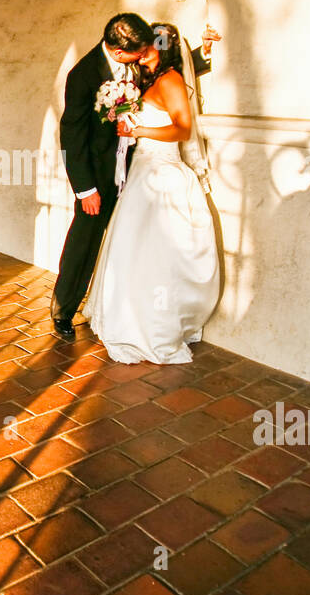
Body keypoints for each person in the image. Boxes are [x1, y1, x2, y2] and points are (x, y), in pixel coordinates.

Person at [81, 23, 221, 363]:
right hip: (143, 171)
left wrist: (138, 127)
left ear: (163, 47)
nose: (143, 51)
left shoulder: (170, 79)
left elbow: (183, 128)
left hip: (161, 172)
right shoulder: (151, 80)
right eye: (142, 46)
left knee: (156, 254)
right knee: (132, 249)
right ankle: (126, 315)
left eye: (150, 46)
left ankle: (153, 325)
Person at [51, 13, 154, 342]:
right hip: (96, 178)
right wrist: (85, 190)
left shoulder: (134, 63)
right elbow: (71, 135)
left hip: (132, 171)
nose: (145, 56)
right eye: (139, 52)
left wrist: (202, 54)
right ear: (120, 51)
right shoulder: (82, 75)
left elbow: (167, 68)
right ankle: (63, 309)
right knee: (85, 243)